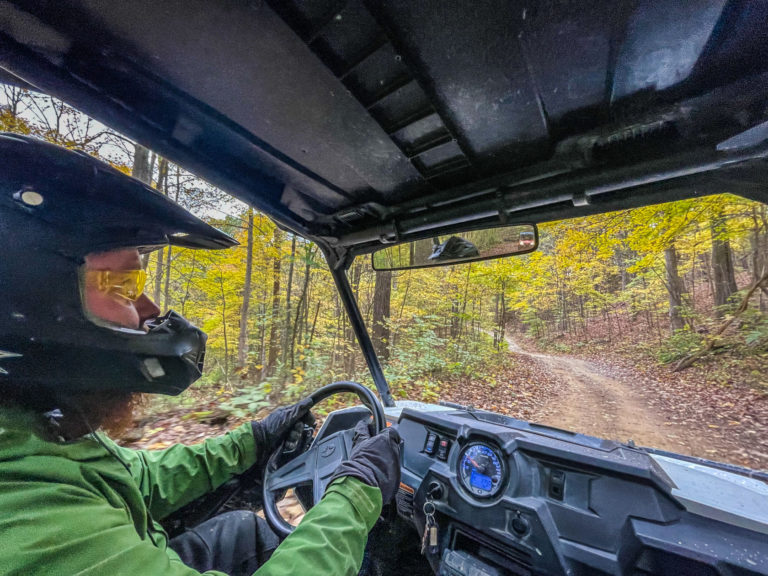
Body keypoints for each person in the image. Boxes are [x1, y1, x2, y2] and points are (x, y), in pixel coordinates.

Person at [0, 134, 401, 576]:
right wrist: (355, 495)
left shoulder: (40, 427)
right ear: (30, 296)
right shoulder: (30, 516)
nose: (150, 310)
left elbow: (139, 481)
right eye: (123, 286)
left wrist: (254, 439)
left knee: (246, 532)